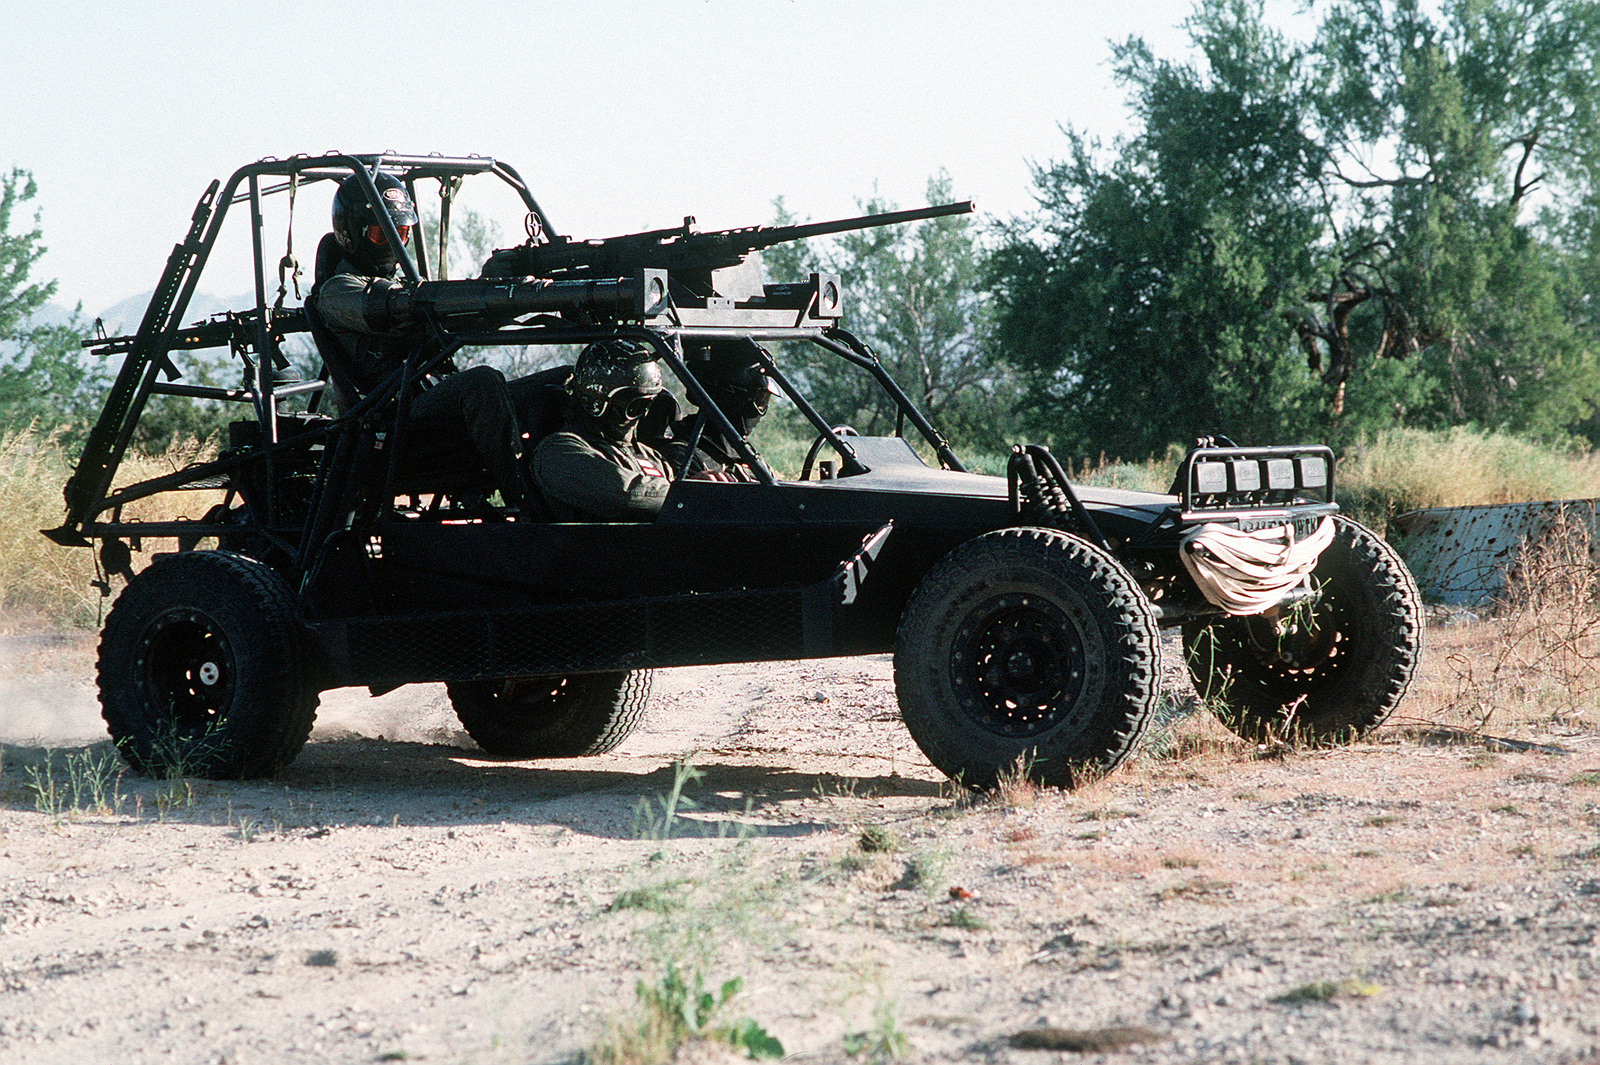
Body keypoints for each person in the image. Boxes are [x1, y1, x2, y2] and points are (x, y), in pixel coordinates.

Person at [311, 171, 529, 509]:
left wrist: (509, 289)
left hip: (428, 400)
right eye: (382, 236)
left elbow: (440, 313)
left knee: (557, 388)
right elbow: (400, 310)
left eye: (401, 234)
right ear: (350, 235)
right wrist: (469, 297)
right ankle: (528, 506)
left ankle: (572, 498)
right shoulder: (338, 291)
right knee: (483, 383)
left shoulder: (408, 286)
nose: (394, 243)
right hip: (390, 417)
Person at [531, 339, 676, 521]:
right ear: (597, 402)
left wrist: (702, 484)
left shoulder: (651, 456)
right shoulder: (559, 452)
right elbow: (628, 494)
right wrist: (690, 496)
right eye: (635, 406)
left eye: (651, 404)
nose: (644, 414)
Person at [651, 338, 777, 482]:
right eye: (759, 399)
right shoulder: (681, 454)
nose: (760, 410)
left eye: (764, 400)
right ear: (728, 395)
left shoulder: (745, 453)